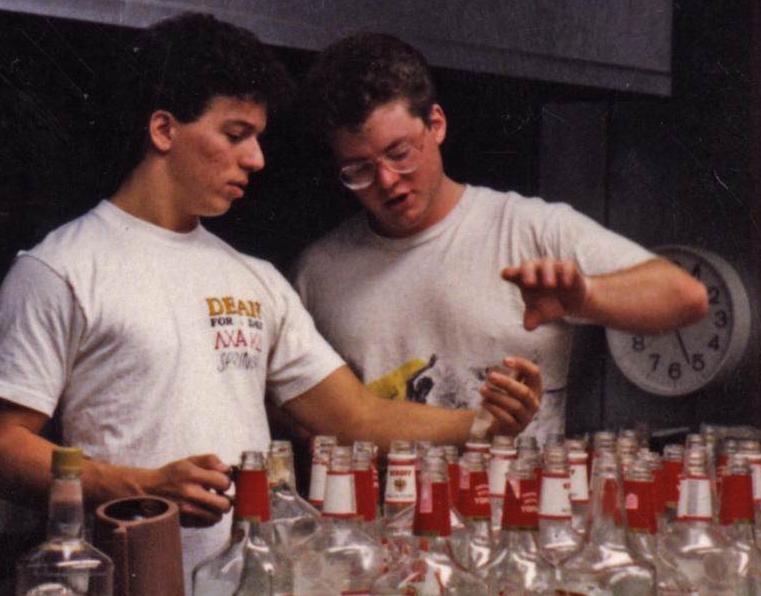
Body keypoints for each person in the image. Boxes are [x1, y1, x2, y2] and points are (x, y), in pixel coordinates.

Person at [0, 13, 542, 584]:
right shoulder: (62, 269)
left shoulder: (254, 280)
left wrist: (481, 426)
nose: (257, 159)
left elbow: (353, 416)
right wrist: (142, 487)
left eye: (259, 138)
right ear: (164, 130)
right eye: (236, 134)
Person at [292, 32, 709, 441]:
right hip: (382, 508)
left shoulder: (529, 229)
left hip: (522, 505)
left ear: (436, 125)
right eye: (359, 170)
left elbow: (686, 297)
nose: (386, 180)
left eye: (400, 153)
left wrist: (585, 298)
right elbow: (288, 403)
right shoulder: (318, 271)